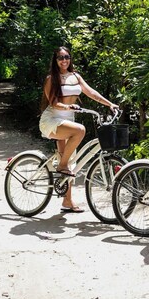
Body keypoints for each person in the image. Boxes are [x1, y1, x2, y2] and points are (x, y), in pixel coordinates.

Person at [39, 46, 118, 213]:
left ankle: (67, 201)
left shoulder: (76, 76)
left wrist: (109, 104)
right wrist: (67, 107)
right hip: (52, 120)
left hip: (67, 122)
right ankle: (61, 166)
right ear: (55, 60)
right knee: (80, 131)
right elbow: (53, 103)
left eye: (66, 56)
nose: (64, 60)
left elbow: (92, 93)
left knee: (71, 164)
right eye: (60, 57)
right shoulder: (51, 78)